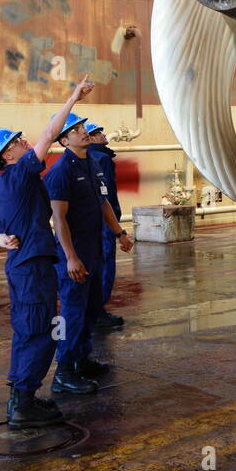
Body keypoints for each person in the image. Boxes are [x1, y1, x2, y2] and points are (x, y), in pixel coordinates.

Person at [0, 74, 94, 429]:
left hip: (22, 265)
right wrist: (73, 97)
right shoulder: (18, 174)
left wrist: (1, 235)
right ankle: (23, 405)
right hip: (31, 269)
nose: (24, 142)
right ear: (7, 155)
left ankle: (20, 394)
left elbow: (4, 221)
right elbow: (49, 135)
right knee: (37, 333)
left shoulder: (7, 186)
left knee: (26, 330)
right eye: (16, 141)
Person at [44, 111, 134, 394]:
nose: (83, 131)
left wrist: (119, 233)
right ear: (63, 139)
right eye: (76, 129)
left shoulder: (93, 162)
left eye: (83, 126)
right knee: (72, 311)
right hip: (75, 254)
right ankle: (64, 372)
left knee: (90, 308)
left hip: (94, 248)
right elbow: (58, 219)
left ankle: (82, 359)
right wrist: (70, 257)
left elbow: (103, 203)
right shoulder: (60, 172)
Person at [85, 123, 127, 330]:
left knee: (98, 265)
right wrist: (116, 227)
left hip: (97, 221)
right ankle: (98, 311)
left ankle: (94, 309)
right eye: (97, 133)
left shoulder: (92, 157)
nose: (102, 135)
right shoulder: (100, 158)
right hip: (105, 222)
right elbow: (106, 195)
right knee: (105, 265)